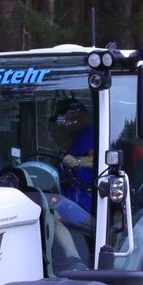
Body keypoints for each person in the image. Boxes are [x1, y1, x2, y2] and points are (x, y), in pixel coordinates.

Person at [49, 97, 97, 237]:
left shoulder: (91, 133)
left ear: (81, 115)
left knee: (52, 218)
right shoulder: (72, 137)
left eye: (68, 117)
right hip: (67, 195)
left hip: (84, 199)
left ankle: (73, 256)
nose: (64, 122)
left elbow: (100, 160)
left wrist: (77, 161)